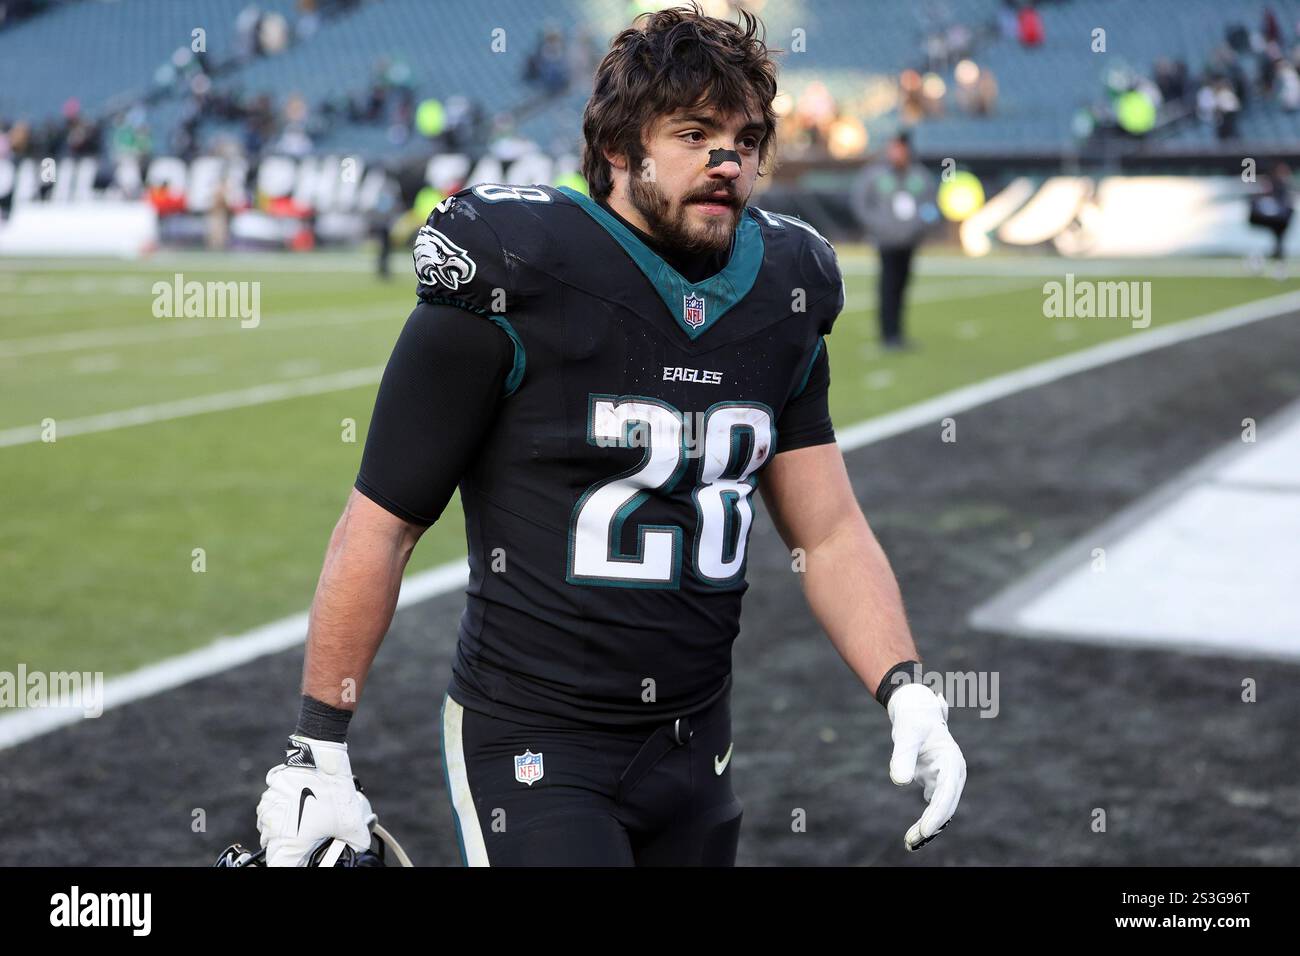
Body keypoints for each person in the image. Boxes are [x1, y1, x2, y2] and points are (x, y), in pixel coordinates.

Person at [255, 4, 966, 867]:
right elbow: (383, 521)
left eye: (744, 138)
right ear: (622, 149)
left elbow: (829, 529)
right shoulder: (519, 269)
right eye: (695, 133)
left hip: (698, 741)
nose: (727, 161)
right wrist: (316, 744)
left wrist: (904, 690)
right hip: (535, 740)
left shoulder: (784, 289)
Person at [851, 131, 937, 350]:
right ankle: (888, 335)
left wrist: (919, 227)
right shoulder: (875, 175)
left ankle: (898, 333)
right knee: (888, 286)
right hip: (886, 241)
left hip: (909, 241)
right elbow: (861, 204)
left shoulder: (920, 177)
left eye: (899, 148)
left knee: (902, 286)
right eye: (892, 148)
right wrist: (879, 226)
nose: (895, 153)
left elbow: (930, 207)